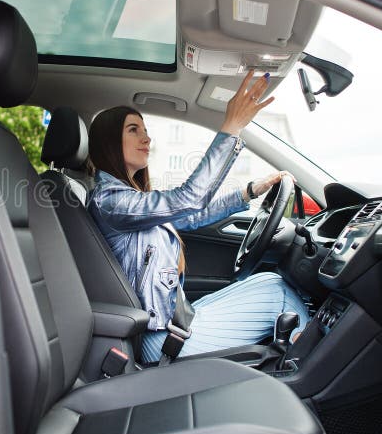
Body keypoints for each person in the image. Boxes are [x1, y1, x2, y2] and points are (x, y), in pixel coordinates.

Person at [87, 70, 309, 363]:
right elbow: (188, 198)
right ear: (108, 142)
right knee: (277, 293)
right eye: (133, 130)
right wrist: (230, 129)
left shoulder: (128, 201)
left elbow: (189, 217)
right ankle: (311, 375)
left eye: (144, 129)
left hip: (174, 319)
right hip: (159, 339)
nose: (147, 137)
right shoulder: (111, 201)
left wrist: (250, 191)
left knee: (269, 281)